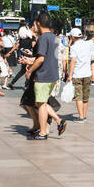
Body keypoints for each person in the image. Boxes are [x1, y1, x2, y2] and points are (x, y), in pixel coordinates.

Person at [26, 10, 61, 141]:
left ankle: (42, 132)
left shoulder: (43, 38)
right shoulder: (54, 37)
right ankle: (54, 123)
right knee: (42, 102)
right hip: (52, 75)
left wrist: (30, 71)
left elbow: (40, 59)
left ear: (39, 24)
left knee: (40, 104)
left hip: (43, 75)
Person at [65, 28, 94, 122]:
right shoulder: (87, 44)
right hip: (87, 73)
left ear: (72, 37)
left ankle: (81, 117)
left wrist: (69, 75)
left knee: (79, 97)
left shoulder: (74, 47)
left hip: (77, 74)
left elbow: (73, 62)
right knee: (85, 96)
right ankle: (84, 115)